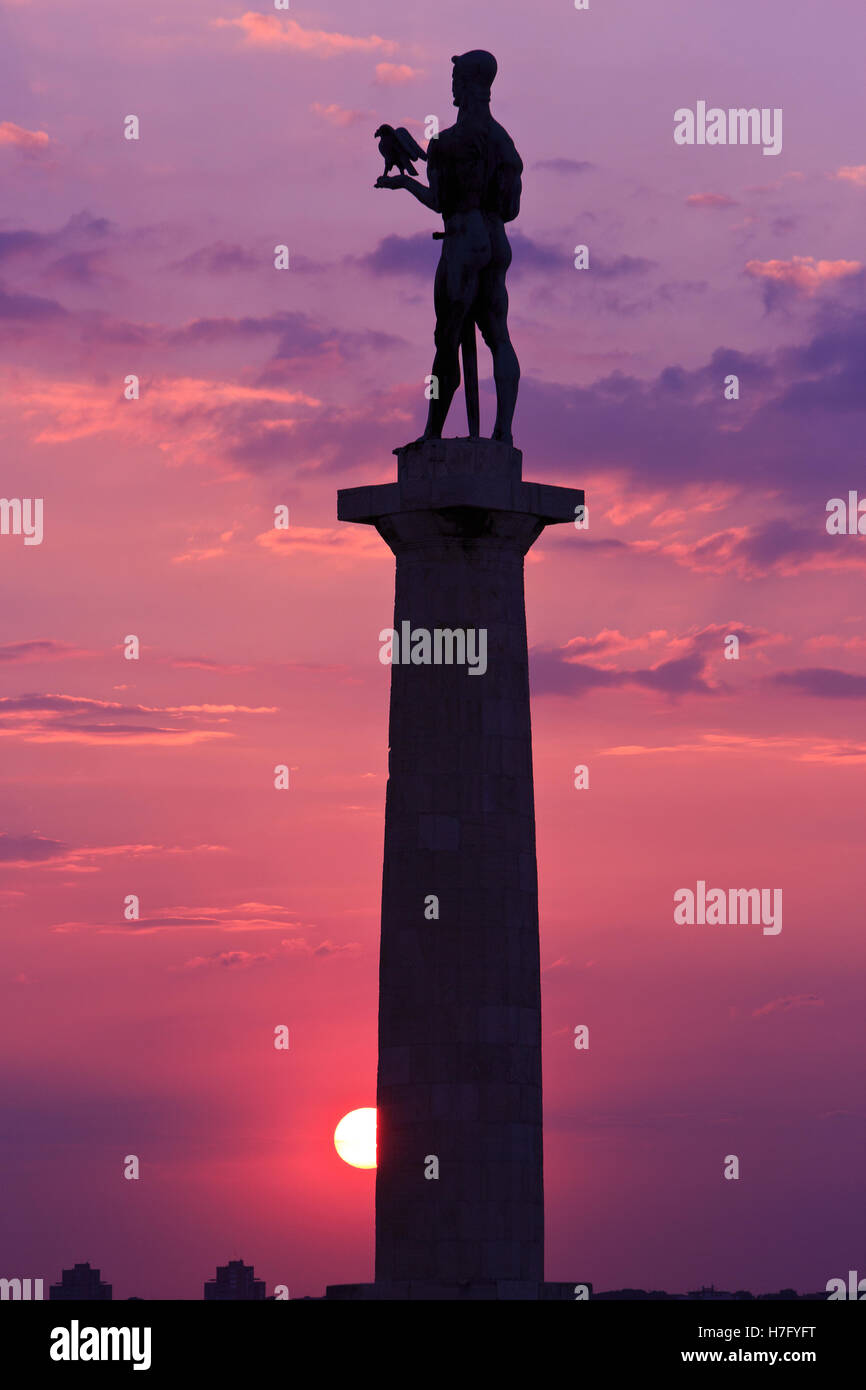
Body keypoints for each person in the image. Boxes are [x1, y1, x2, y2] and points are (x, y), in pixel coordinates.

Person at [375, 50, 523, 444]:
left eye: (455, 79)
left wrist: (404, 183)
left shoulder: (446, 143)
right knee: (499, 338)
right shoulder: (504, 142)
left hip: (462, 239)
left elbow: (439, 202)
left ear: (466, 85)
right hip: (496, 240)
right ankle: (502, 433)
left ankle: (432, 434)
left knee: (447, 341)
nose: (452, 85)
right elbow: (511, 208)